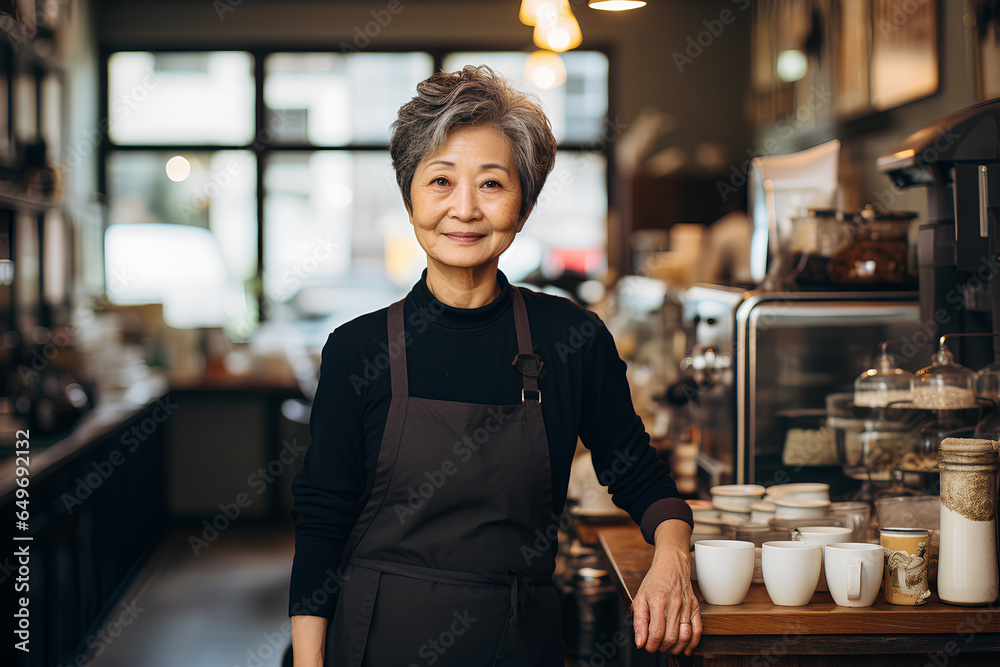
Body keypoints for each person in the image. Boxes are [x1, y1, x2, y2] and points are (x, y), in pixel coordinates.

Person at [288, 65, 700, 667]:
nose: (464, 210)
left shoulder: (573, 339)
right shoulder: (358, 349)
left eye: (490, 184)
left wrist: (672, 556)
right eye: (439, 182)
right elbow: (321, 520)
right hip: (375, 640)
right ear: (410, 200)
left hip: (517, 641)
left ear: (523, 207)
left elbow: (637, 473)